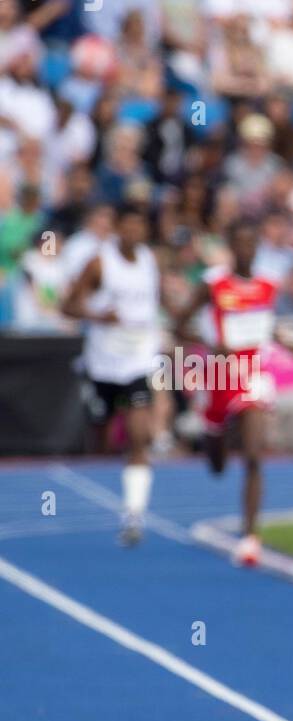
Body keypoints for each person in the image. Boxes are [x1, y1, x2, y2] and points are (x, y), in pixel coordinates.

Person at [172, 219, 293, 566]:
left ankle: (250, 537)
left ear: (257, 247)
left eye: (250, 244)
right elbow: (180, 324)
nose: (245, 250)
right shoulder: (213, 284)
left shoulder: (269, 284)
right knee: (217, 462)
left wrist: (283, 339)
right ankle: (216, 435)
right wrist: (210, 343)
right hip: (219, 375)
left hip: (255, 372)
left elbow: (265, 325)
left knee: (255, 454)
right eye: (238, 244)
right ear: (230, 246)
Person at [61, 201, 161, 546]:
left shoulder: (150, 260)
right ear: (117, 228)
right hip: (103, 364)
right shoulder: (100, 263)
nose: (135, 233)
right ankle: (84, 510)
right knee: (100, 441)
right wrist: (98, 315)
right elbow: (68, 305)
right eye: (128, 226)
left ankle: (133, 513)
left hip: (138, 360)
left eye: (140, 227)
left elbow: (154, 305)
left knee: (138, 435)